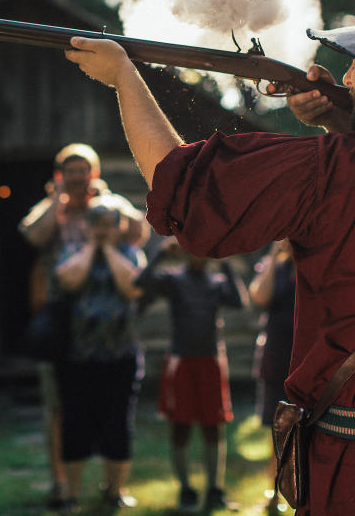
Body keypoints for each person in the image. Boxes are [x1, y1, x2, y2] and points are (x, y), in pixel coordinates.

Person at [63, 0, 355, 514]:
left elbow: (179, 184)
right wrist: (343, 116)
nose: (350, 75)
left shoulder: (344, 166)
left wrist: (125, 78)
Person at [19, 144, 147, 510]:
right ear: (60, 175)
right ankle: (61, 483)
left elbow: (139, 232)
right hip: (63, 325)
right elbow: (33, 236)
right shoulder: (52, 210)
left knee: (112, 412)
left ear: (94, 173)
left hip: (113, 326)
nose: (77, 178)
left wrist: (110, 205)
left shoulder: (110, 205)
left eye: (83, 171)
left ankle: (111, 485)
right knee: (60, 409)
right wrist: (58, 201)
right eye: (70, 171)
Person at [134, 238, 248, 513]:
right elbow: (141, 284)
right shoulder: (172, 280)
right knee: (180, 425)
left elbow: (238, 301)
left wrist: (227, 260)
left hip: (210, 360)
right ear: (184, 254)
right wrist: (160, 254)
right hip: (181, 361)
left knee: (213, 426)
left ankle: (214, 489)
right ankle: (185, 488)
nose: (199, 257)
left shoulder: (217, 282)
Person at [53, 200, 147, 512]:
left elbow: (132, 286)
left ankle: (115, 490)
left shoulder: (131, 253)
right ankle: (73, 494)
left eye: (108, 224)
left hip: (120, 353)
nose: (103, 230)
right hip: (78, 355)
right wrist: (93, 248)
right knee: (76, 423)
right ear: (87, 226)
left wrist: (107, 251)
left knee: (117, 423)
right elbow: (70, 279)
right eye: (97, 224)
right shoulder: (73, 251)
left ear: (119, 226)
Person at [249, 240, 297, 515]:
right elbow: (258, 295)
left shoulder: (311, 263)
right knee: (276, 430)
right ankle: (274, 491)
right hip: (277, 357)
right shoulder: (274, 266)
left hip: (304, 358)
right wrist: (273, 254)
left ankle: (304, 490)